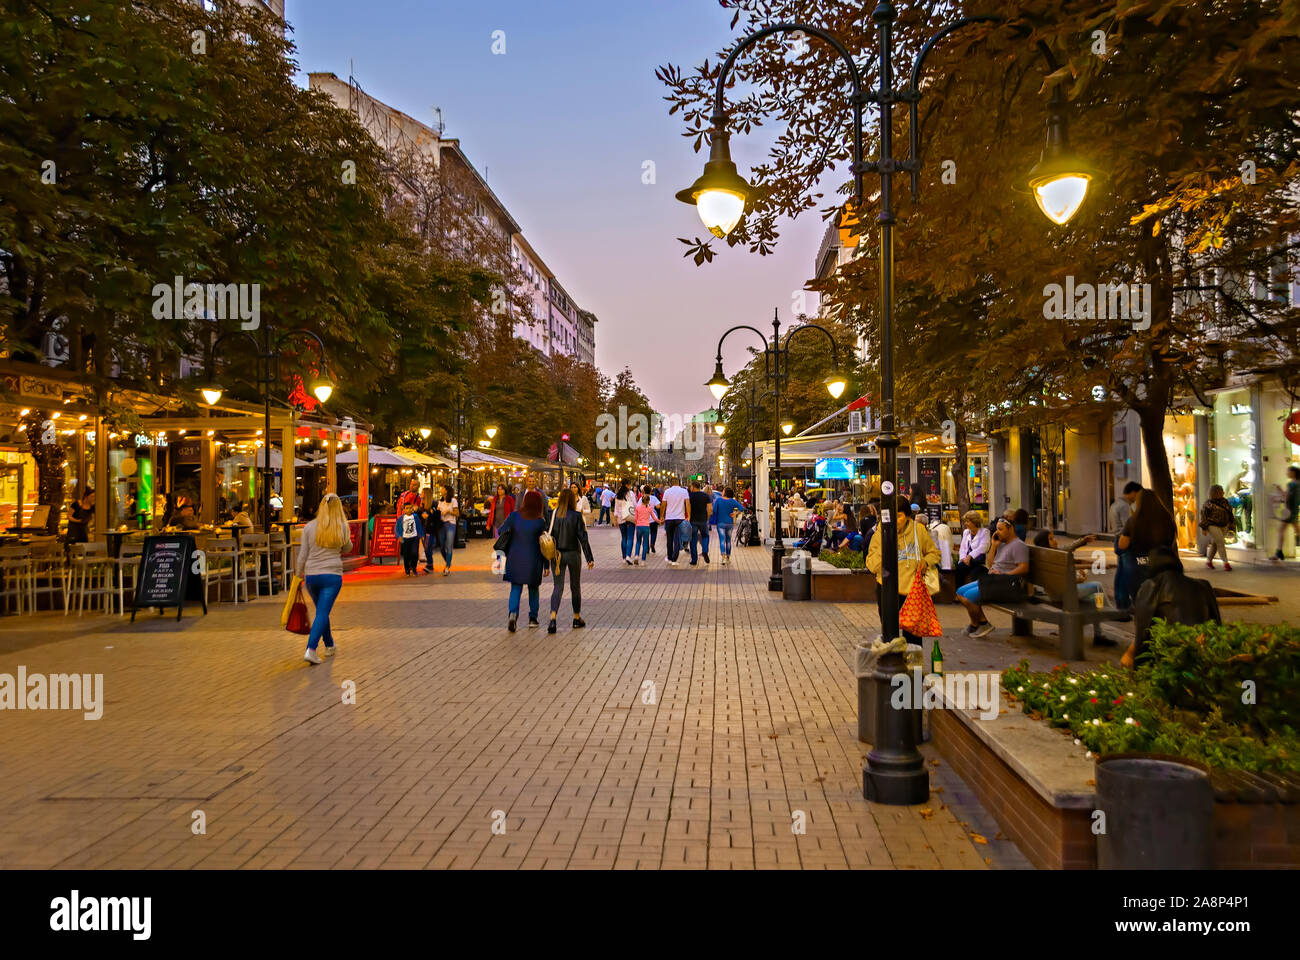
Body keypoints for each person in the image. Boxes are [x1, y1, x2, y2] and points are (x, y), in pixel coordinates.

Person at [1124, 546, 1221, 667]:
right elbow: (1217, 625)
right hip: (1204, 653)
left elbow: (1143, 631)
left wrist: (1136, 664)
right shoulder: (1204, 585)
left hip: (1169, 657)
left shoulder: (1151, 586)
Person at [865, 494, 941, 645]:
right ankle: (894, 666)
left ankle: (915, 669)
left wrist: (925, 562)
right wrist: (887, 543)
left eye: (899, 516)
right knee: (890, 636)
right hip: (886, 590)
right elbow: (872, 565)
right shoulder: (881, 532)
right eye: (892, 516)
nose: (895, 520)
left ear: (907, 515)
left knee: (914, 638)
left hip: (913, 591)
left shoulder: (918, 530)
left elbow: (934, 553)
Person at [295, 492, 352, 665]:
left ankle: (329, 645)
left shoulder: (309, 527)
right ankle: (311, 649)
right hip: (332, 575)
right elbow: (348, 548)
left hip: (312, 576)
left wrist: (298, 575)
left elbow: (302, 554)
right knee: (322, 612)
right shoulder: (341, 526)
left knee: (322, 611)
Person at [955, 516, 1030, 637]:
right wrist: (994, 545)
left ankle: (981, 624)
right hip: (993, 579)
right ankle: (978, 623)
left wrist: (1004, 574)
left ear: (1010, 529)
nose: (997, 532)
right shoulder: (1001, 543)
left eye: (1000, 529)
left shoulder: (1018, 545)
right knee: (960, 592)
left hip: (1006, 583)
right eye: (996, 529)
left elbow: (1024, 567)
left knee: (969, 596)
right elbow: (989, 564)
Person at [1117, 485, 1177, 607]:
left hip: (1139, 561)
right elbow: (1173, 540)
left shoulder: (1134, 520)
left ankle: (1123, 605)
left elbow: (1122, 545)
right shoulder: (1168, 519)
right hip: (1163, 558)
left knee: (1122, 556)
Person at [1032, 528, 1108, 620]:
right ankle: (1109, 611)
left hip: (1054, 594)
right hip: (1064, 594)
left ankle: (1098, 631)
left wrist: (1082, 541)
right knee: (1097, 586)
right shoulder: (1053, 556)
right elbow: (1072, 567)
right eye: (1051, 539)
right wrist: (1094, 566)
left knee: (1093, 601)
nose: (1055, 540)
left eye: (1053, 538)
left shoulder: (1046, 555)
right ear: (1044, 542)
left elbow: (1067, 548)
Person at [499, 490, 548, 632]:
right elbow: (544, 544)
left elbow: (502, 530)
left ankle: (513, 614)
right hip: (533, 559)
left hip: (515, 557)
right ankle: (533, 618)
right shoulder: (540, 522)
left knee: (515, 588)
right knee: (533, 589)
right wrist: (546, 565)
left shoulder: (514, 516)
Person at [546, 487, 593, 633]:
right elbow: (583, 537)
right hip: (573, 554)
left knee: (557, 587)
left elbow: (549, 535)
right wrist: (589, 558)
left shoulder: (553, 514)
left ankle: (553, 618)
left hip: (557, 555)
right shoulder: (576, 515)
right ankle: (576, 618)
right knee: (575, 586)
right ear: (573, 500)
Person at [1199, 484, 1235, 571]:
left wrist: (1232, 525)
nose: (1223, 492)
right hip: (1212, 525)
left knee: (1215, 544)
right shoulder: (1208, 504)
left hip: (1224, 525)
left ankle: (1208, 561)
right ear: (1216, 492)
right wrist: (1204, 528)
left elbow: (1230, 514)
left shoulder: (1225, 502)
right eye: (1221, 490)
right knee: (1221, 542)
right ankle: (1226, 563)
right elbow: (1204, 516)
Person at [660, 478, 690, 567]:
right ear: (679, 483)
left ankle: (669, 557)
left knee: (669, 539)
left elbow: (663, 505)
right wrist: (688, 516)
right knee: (677, 539)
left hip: (669, 518)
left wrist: (661, 516)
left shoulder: (667, 492)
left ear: (671, 483)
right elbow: (688, 504)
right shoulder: (684, 491)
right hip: (679, 518)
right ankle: (674, 559)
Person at [1273, 464, 1300, 563]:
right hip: (1294, 510)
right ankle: (1278, 552)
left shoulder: (1292, 484)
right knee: (1296, 530)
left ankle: (1278, 552)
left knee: (1282, 530)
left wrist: (1279, 489)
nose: (1287, 473)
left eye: (1288, 471)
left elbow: (1286, 497)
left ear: (1293, 473)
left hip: (1289, 511)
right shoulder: (1298, 483)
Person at [956, 511, 990, 586]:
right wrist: (962, 559)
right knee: (959, 568)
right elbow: (963, 548)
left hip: (980, 562)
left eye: (967, 521)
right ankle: (958, 593)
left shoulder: (985, 532)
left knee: (975, 573)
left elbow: (983, 547)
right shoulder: (966, 532)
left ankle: (974, 596)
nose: (965, 523)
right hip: (967, 561)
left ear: (974, 522)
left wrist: (970, 556)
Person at [712, 487, 744, 564]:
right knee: (728, 540)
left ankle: (723, 557)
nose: (722, 492)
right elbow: (742, 508)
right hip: (729, 523)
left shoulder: (718, 500)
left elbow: (714, 510)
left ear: (725, 492)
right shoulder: (732, 501)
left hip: (720, 523)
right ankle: (728, 557)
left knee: (722, 540)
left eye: (723, 491)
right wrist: (735, 513)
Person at [687, 479, 712, 567]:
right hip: (703, 520)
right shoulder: (705, 496)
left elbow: (687, 508)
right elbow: (710, 509)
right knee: (705, 536)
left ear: (693, 487)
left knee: (693, 539)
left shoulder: (689, 496)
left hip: (693, 520)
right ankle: (705, 551)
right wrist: (707, 517)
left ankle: (694, 560)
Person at [397, 500, 425, 576]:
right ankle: (407, 569)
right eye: (407, 508)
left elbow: (419, 526)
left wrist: (421, 535)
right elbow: (397, 528)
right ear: (404, 509)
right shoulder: (401, 518)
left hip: (414, 538)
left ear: (412, 509)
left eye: (410, 508)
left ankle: (414, 567)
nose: (408, 510)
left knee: (415, 553)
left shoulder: (415, 517)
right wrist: (399, 536)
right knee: (406, 554)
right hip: (405, 538)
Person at [435, 485, 459, 576]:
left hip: (450, 524)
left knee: (449, 545)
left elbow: (457, 513)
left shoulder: (453, 500)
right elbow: (438, 512)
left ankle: (447, 566)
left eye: (442, 488)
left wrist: (449, 512)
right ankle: (448, 561)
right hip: (441, 524)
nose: (441, 490)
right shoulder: (440, 501)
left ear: (447, 491)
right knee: (441, 546)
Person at [614, 482, 636, 565]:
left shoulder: (617, 495)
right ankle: (628, 556)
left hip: (620, 519)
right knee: (630, 538)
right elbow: (634, 505)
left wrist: (615, 520)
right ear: (627, 485)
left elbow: (616, 509)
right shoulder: (630, 493)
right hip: (629, 517)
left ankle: (623, 557)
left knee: (624, 538)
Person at [417, 494, 439, 573]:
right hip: (425, 530)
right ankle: (430, 564)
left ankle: (430, 564)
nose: (421, 496)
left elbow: (436, 516)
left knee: (427, 547)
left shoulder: (434, 504)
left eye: (423, 494)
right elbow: (420, 514)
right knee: (427, 547)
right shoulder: (422, 505)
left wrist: (429, 515)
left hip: (430, 530)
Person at [633, 490, 655, 565]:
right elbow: (654, 518)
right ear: (648, 501)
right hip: (646, 527)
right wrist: (660, 521)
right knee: (645, 544)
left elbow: (635, 518)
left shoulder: (637, 508)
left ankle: (636, 556)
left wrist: (637, 524)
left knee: (638, 542)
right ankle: (643, 561)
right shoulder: (649, 508)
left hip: (639, 526)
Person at [643, 485, 661, 553]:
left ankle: (647, 548)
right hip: (653, 518)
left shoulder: (641, 498)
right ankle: (652, 543)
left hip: (645, 518)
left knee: (646, 534)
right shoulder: (654, 498)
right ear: (651, 491)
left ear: (644, 491)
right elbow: (658, 506)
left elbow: (638, 507)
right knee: (654, 532)